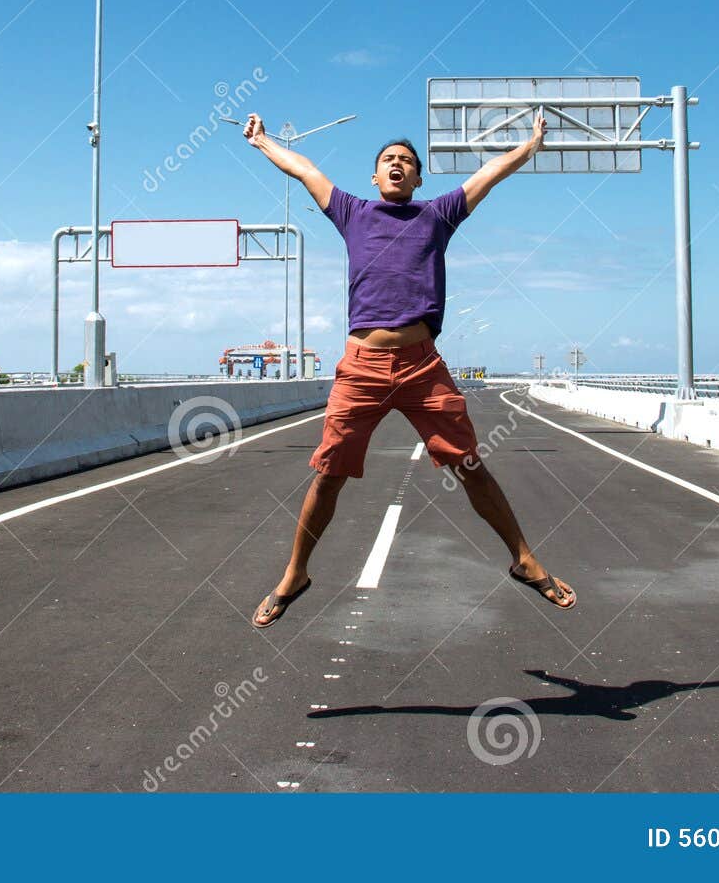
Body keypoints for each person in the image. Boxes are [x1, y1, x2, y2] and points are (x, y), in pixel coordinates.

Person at [242, 111, 575, 628]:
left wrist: (529, 146)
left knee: (469, 466)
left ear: (419, 179)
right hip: (362, 368)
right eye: (388, 161)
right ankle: (295, 574)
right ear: (374, 178)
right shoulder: (351, 212)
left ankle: (524, 558)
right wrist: (264, 142)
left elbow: (488, 173)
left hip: (423, 368)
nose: (397, 166)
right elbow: (305, 169)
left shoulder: (437, 216)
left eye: (407, 162)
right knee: (329, 476)